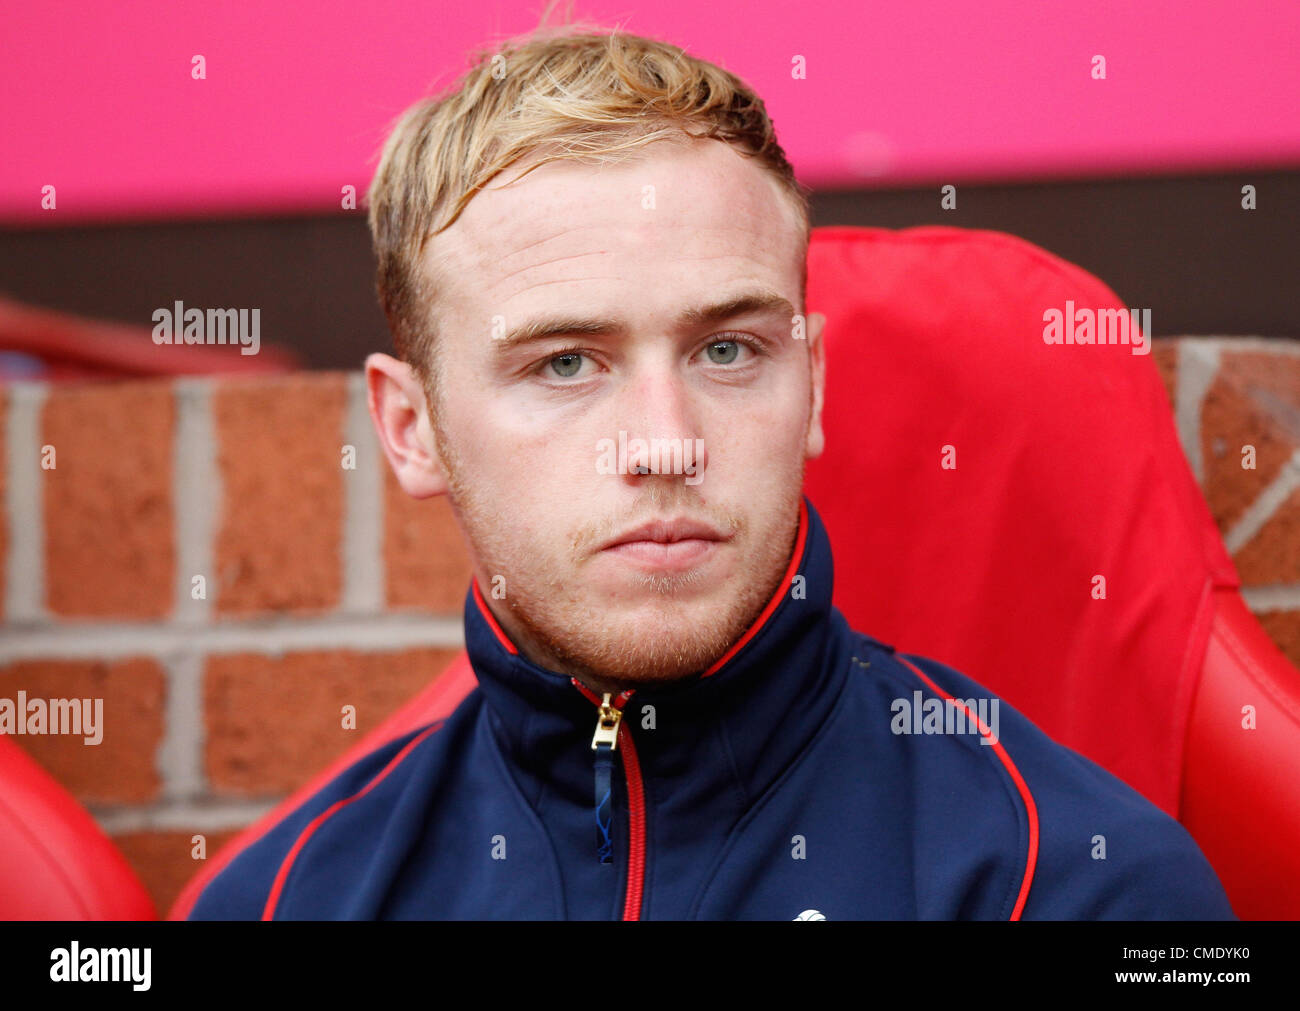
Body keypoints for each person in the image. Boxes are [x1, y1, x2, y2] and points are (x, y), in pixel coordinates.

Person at [187, 24, 1234, 920]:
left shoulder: (1076, 886)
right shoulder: (284, 903)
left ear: (813, 389)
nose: (664, 444)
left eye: (727, 350)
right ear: (410, 428)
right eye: (564, 363)